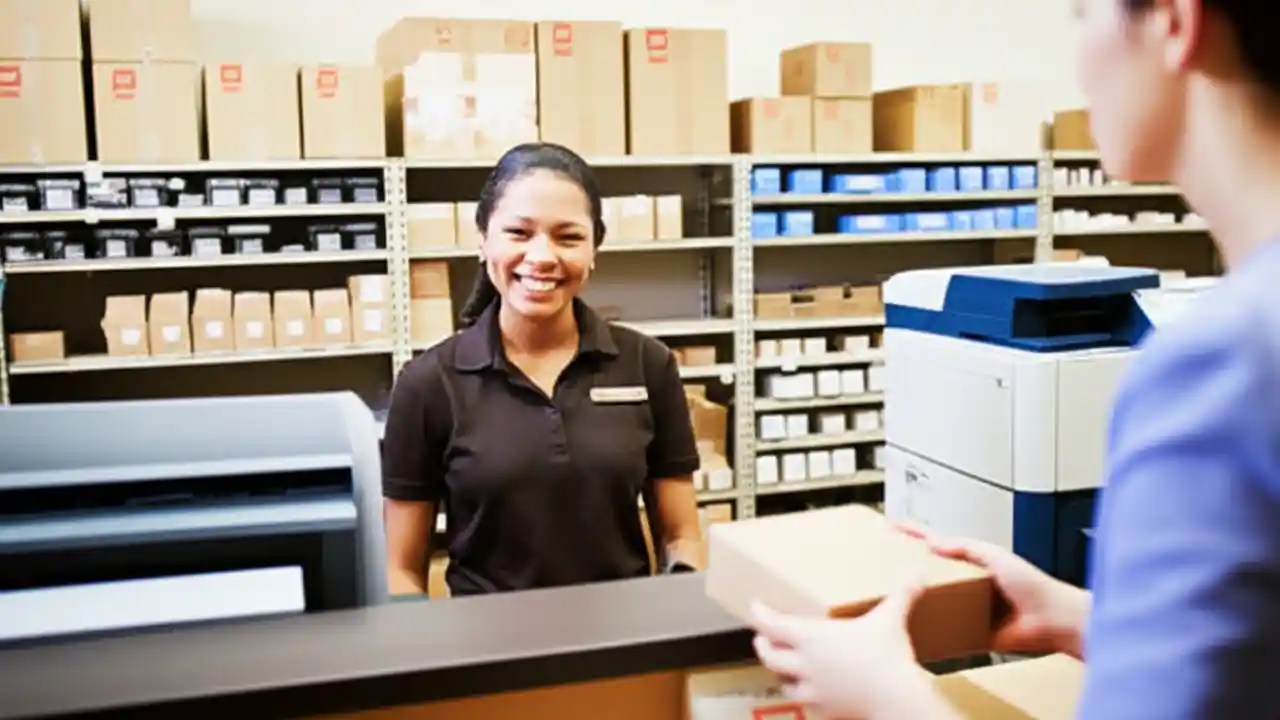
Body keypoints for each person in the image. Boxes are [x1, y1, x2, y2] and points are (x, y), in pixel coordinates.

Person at [749, 0, 1280, 717]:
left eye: (1083, 12)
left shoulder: (1222, 361)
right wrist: (1074, 613)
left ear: (1174, 23)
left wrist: (884, 697)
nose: (1078, 59)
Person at [381, 143, 705, 597]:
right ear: (483, 240)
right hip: (490, 654)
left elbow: (681, 534)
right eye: (518, 232)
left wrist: (681, 594)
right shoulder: (428, 384)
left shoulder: (648, 365)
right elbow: (401, 571)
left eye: (568, 237)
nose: (542, 256)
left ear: (595, 247)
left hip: (626, 645)